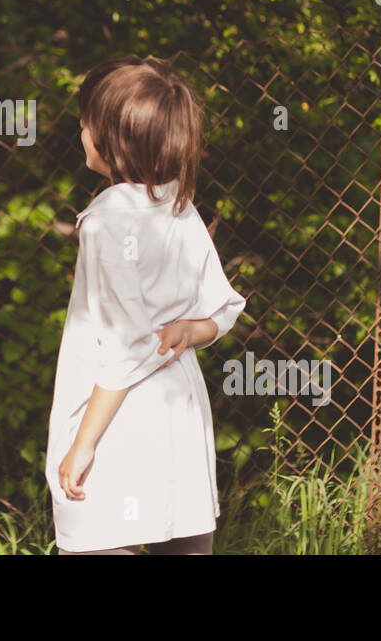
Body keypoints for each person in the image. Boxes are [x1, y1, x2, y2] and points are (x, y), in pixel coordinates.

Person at [46, 56, 247, 554]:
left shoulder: (105, 220)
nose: (81, 128)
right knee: (181, 540)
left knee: (99, 541)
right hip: (179, 416)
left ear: (112, 140)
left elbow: (125, 350)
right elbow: (224, 306)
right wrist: (190, 331)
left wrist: (83, 444)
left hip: (121, 422)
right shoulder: (180, 206)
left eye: (88, 120)